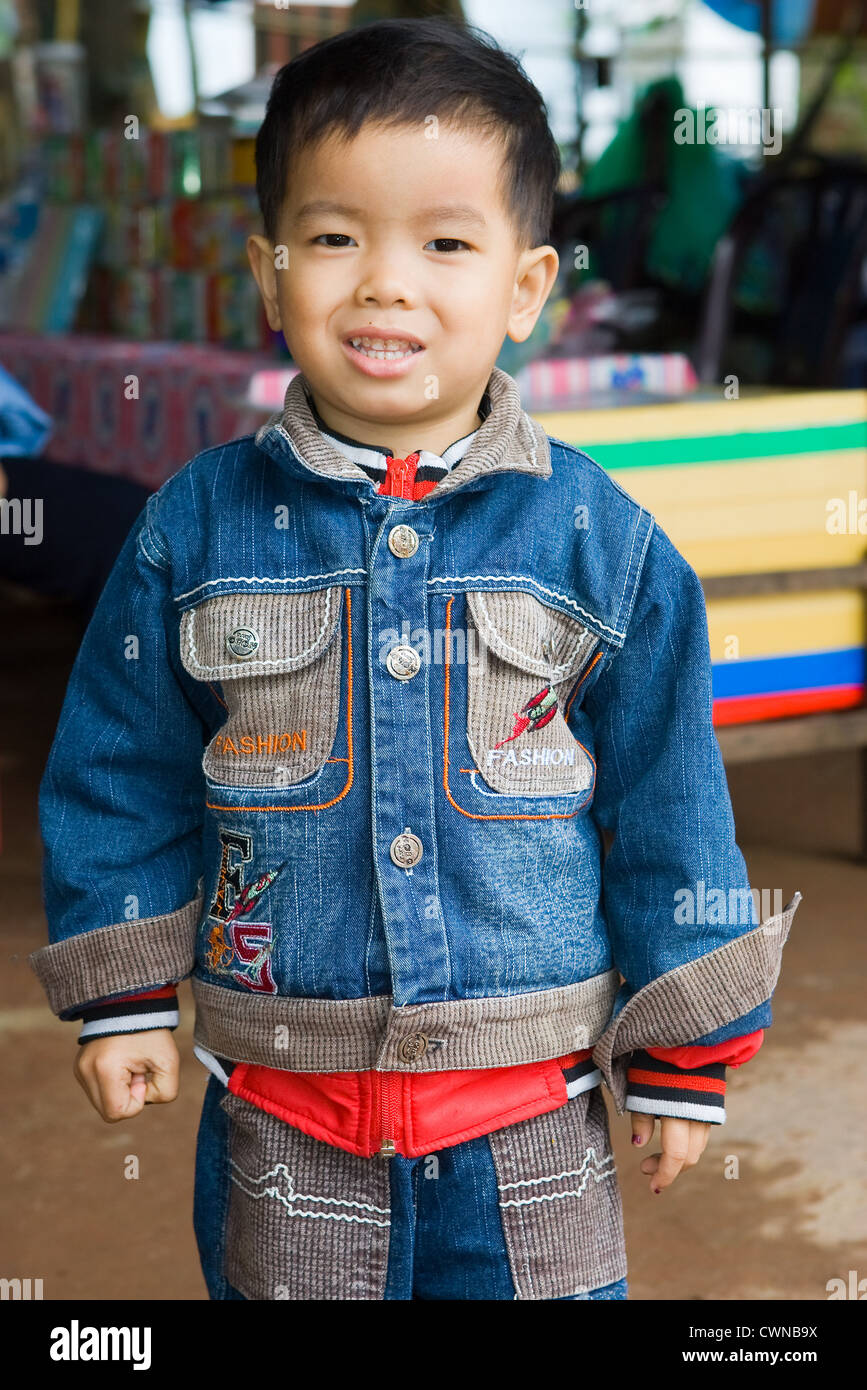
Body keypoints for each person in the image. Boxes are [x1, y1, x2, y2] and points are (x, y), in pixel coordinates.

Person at [30, 18, 801, 1302]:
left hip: (532, 1121)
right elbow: (120, 765)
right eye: (335, 239)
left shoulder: (601, 542)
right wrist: (121, 994)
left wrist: (683, 1053)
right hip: (285, 1110)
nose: (387, 283)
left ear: (525, 286)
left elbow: (669, 800)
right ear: (272, 277)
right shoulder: (193, 529)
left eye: (445, 243)